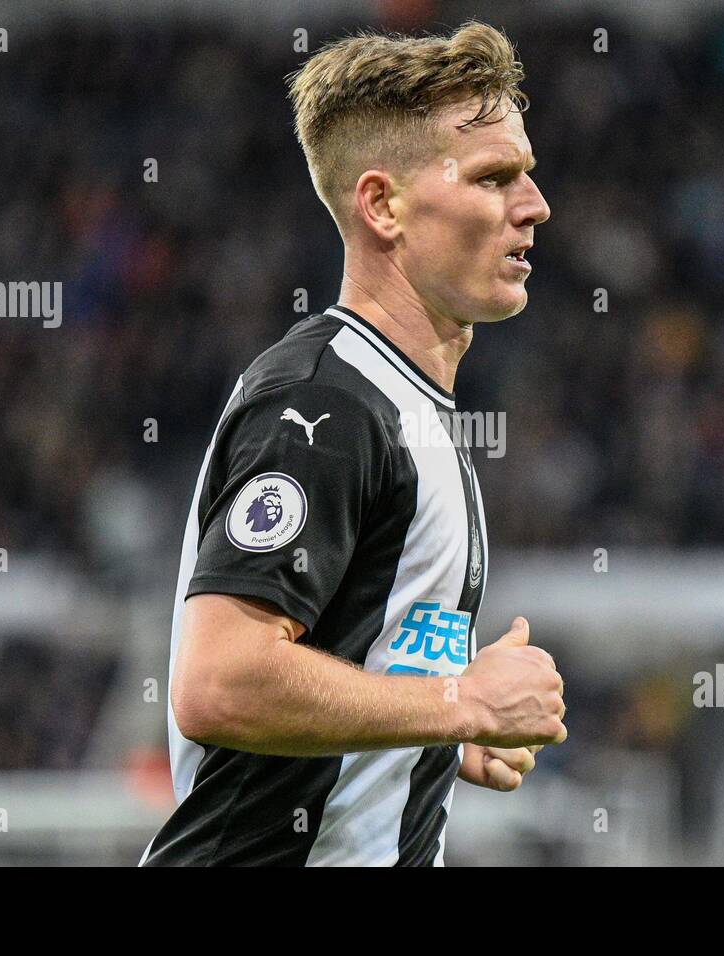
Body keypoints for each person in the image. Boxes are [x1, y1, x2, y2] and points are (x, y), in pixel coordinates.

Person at [141, 20, 562, 866]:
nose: (534, 206)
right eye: (493, 177)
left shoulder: (407, 405)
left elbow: (342, 667)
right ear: (382, 205)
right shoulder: (324, 406)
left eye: (527, 175)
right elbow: (220, 683)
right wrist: (459, 702)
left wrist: (425, 743)